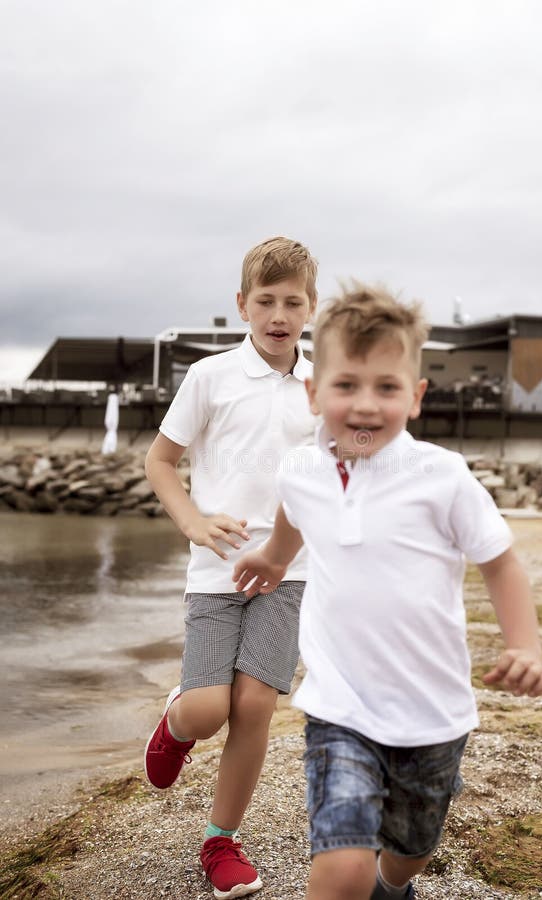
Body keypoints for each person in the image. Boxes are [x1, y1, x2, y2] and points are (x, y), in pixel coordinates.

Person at [233, 284, 542, 900]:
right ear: (313, 392)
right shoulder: (301, 470)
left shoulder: (441, 477)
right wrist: (275, 558)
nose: (365, 405)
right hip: (339, 706)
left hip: (433, 712)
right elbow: (294, 514)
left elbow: (501, 562)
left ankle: (392, 884)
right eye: (346, 385)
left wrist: (527, 646)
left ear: (416, 397)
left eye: (386, 387)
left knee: (411, 847)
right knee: (342, 862)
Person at [143, 236, 318, 899]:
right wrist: (192, 522)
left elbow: (346, 455)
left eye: (292, 302)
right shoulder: (209, 376)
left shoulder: (318, 385)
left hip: (291, 570)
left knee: (253, 707)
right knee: (209, 709)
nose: (278, 313)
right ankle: (176, 722)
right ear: (242, 305)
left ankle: (220, 842)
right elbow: (160, 462)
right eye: (265, 300)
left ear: (310, 307)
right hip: (215, 572)